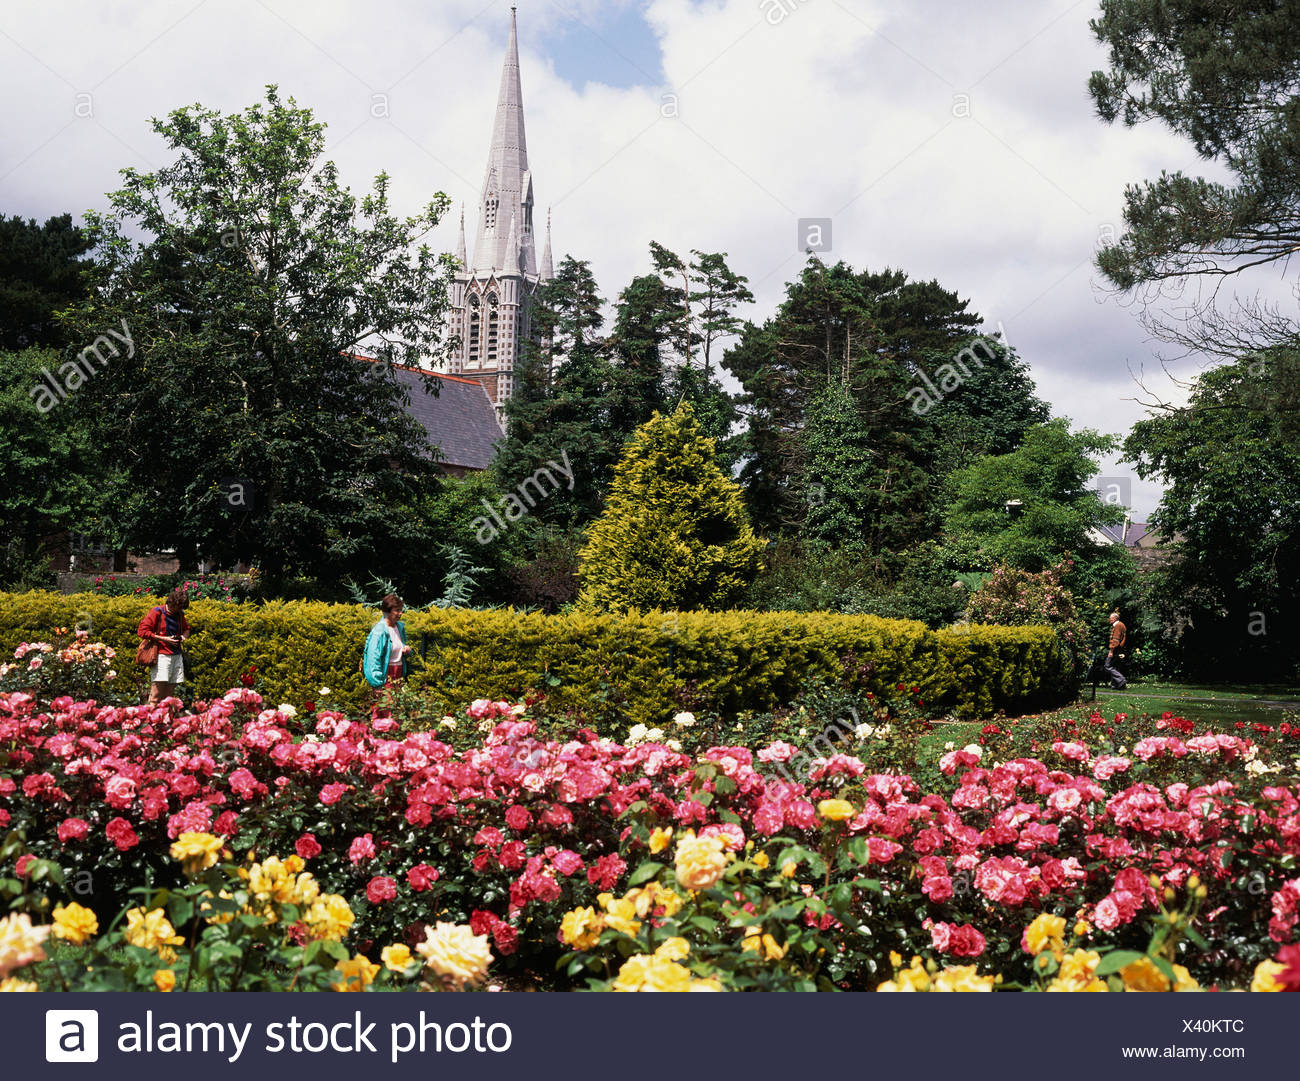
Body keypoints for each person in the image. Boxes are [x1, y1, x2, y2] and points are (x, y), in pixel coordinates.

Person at [137, 588, 191, 705]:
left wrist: (183, 637)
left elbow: (187, 629)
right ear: (171, 603)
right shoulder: (157, 612)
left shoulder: (180, 614)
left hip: (176, 655)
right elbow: (142, 631)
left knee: (168, 697)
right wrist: (163, 638)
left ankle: (164, 719)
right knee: (156, 695)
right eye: (177, 607)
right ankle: (151, 719)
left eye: (181, 608)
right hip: (161, 656)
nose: (178, 610)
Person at [362, 593, 412, 693]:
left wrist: (408, 650)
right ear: (388, 611)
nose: (400, 613)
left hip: (399, 674)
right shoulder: (379, 631)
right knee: (385, 707)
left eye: (401, 610)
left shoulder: (399, 628)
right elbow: (373, 658)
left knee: (398, 707)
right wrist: (377, 683)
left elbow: (397, 650)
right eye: (397, 610)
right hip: (386, 675)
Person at [1102, 609, 1127, 690]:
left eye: (1111, 618)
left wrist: (1111, 651)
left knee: (1107, 665)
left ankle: (1121, 680)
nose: (1109, 620)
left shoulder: (1118, 625)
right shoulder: (1121, 625)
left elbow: (1116, 640)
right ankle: (1115, 685)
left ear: (1115, 619)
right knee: (1115, 667)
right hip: (1119, 649)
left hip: (1115, 649)